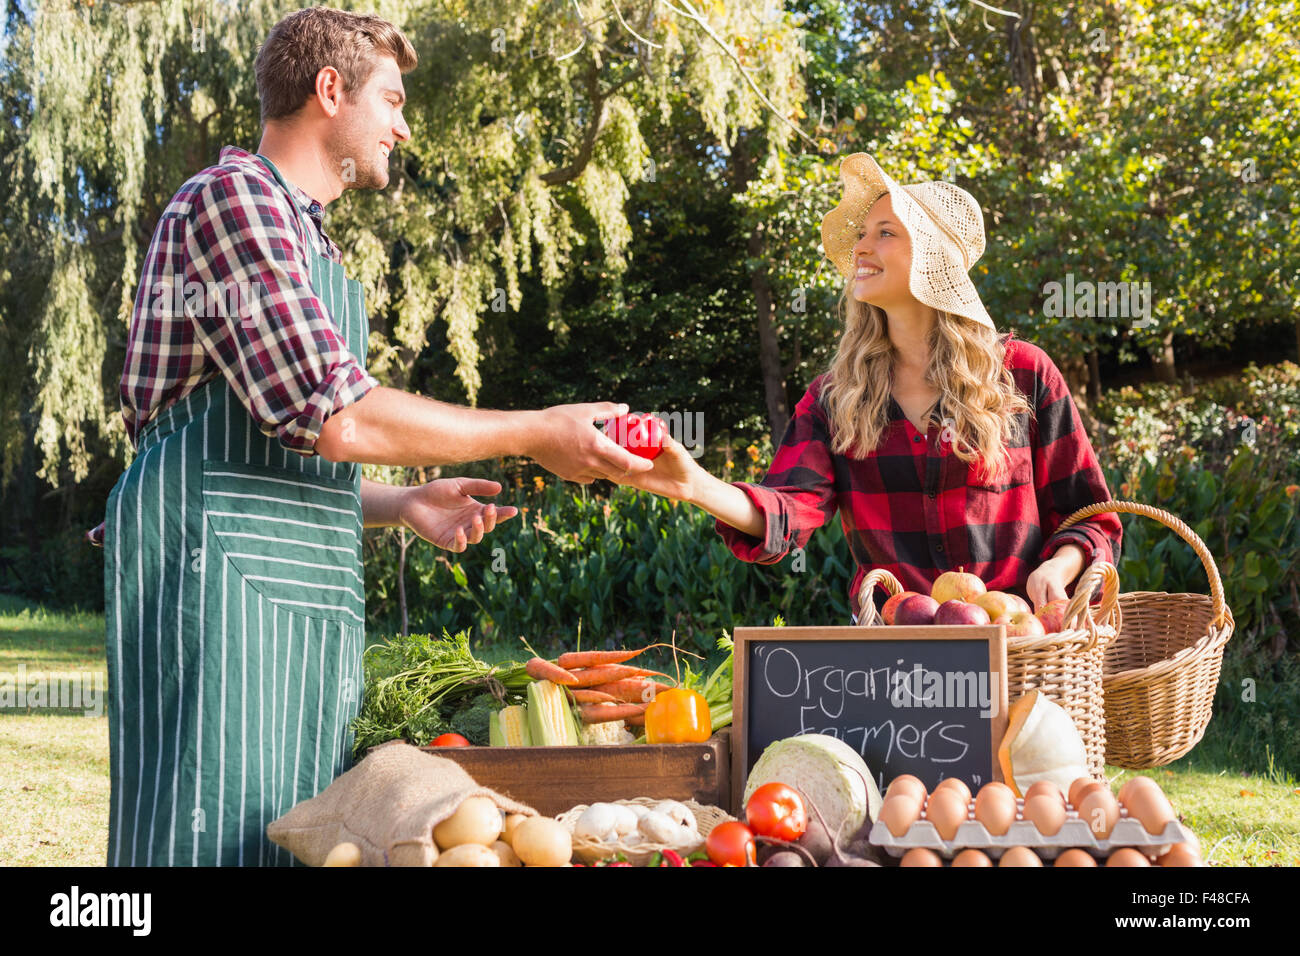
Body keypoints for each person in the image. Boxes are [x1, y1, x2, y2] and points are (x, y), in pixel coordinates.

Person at [103, 7, 651, 867]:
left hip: (295, 603)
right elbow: (335, 412)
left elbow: (275, 450)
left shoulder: (304, 236)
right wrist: (536, 431)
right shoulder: (231, 201)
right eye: (392, 100)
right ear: (330, 91)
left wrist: (401, 503)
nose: (403, 125)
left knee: (297, 839)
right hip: (211, 592)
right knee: (203, 837)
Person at [614, 152, 1121, 622]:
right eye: (863, 233)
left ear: (933, 258)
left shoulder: (1023, 375)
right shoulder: (836, 398)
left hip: (1022, 645)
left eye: (885, 232)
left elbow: (1091, 518)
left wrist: (1058, 568)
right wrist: (695, 485)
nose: (860, 246)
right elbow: (788, 511)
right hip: (893, 657)